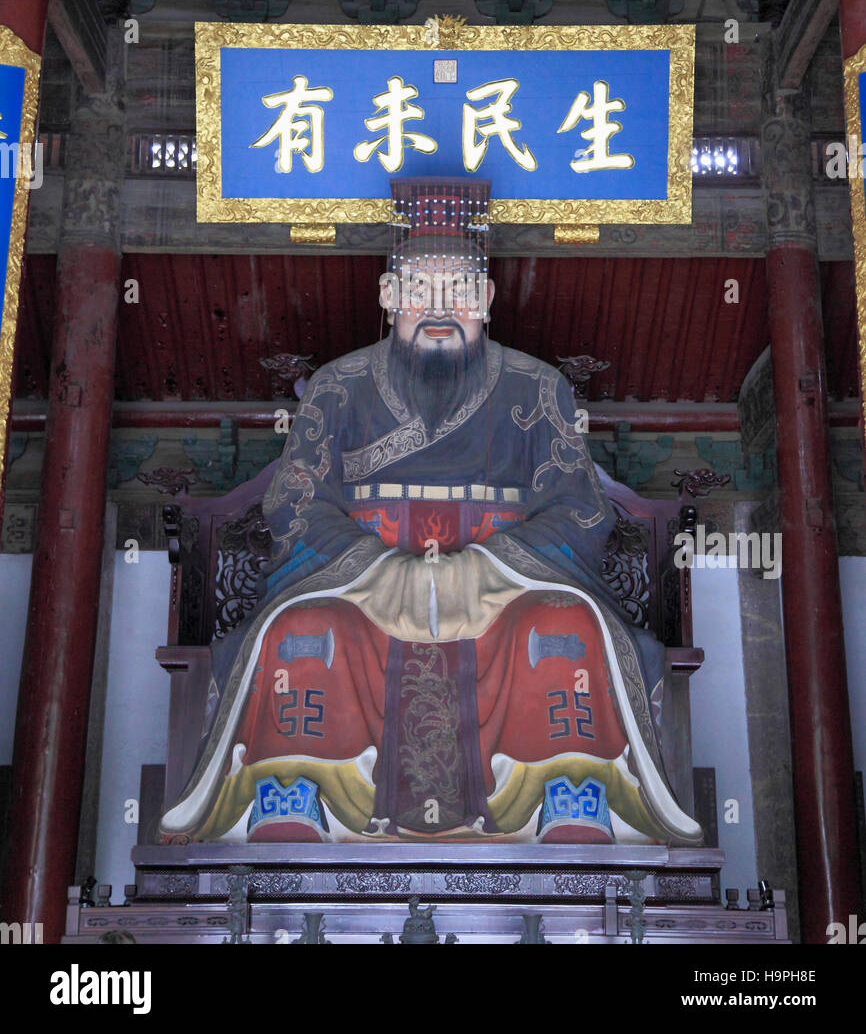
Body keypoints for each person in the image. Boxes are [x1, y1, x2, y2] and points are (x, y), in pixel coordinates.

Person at [160, 216, 701, 847]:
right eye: (419, 290)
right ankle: (298, 790)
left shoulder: (537, 387)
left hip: (506, 587)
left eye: (461, 291)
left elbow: (578, 507)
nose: (439, 309)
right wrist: (379, 572)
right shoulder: (338, 387)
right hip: (361, 587)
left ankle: (565, 791)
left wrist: (487, 571)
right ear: (389, 296)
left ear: (488, 300)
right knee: (304, 628)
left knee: (562, 625)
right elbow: (296, 503)